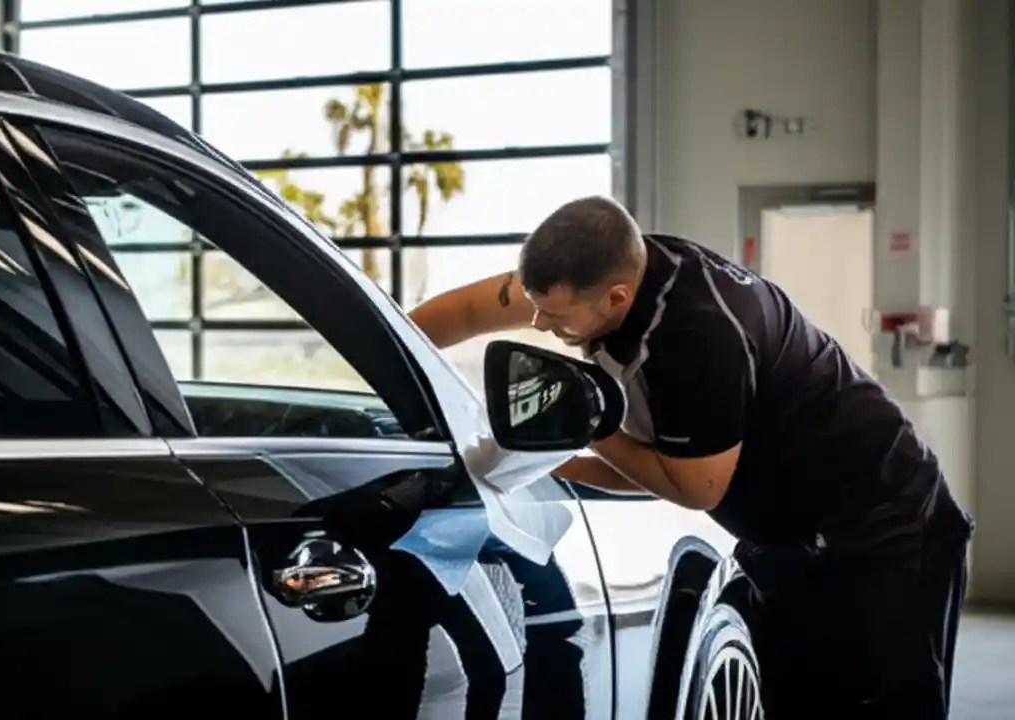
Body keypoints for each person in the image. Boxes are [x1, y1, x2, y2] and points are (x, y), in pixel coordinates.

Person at [408, 195, 974, 719]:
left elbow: (695, 486)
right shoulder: (590, 268)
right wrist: (390, 362)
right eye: (535, 307)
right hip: (784, 530)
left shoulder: (696, 337)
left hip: (885, 523)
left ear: (616, 298)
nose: (539, 325)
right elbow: (460, 314)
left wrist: (585, 424)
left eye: (553, 316)